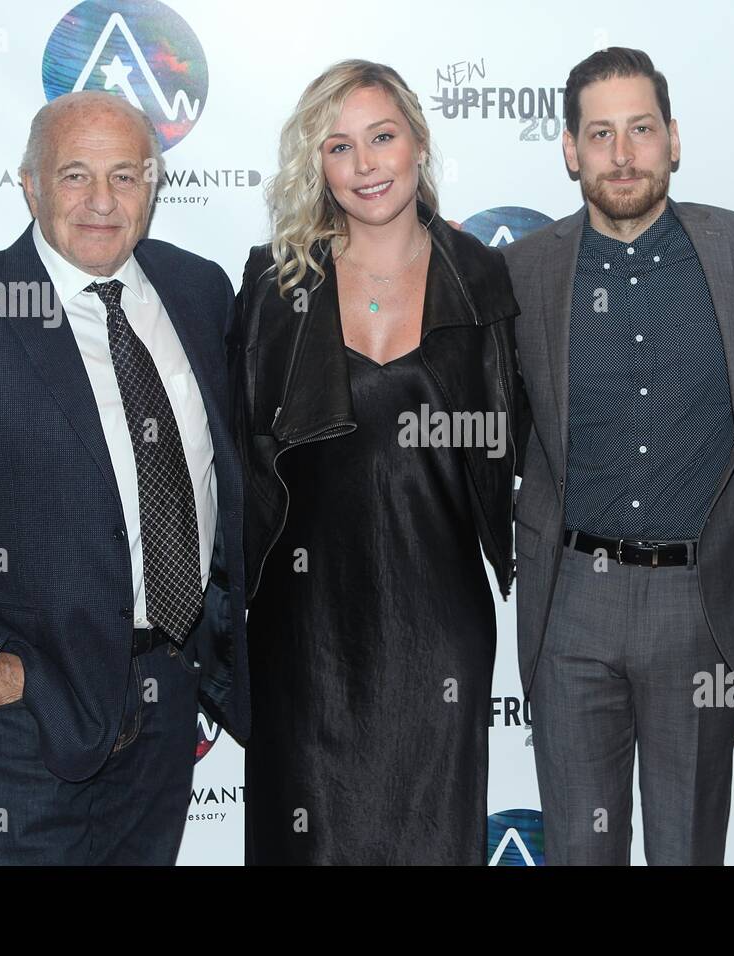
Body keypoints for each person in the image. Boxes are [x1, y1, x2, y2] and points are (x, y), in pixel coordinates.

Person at [0, 91, 248, 865]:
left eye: (126, 176)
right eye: (75, 175)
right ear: (30, 185)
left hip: (172, 693)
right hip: (34, 707)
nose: (103, 201)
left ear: (154, 184)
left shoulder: (199, 291)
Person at [230, 60, 522, 865]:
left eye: (382, 137)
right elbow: (238, 460)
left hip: (438, 619)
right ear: (316, 165)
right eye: (339, 146)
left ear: (419, 143)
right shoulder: (274, 284)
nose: (365, 165)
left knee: (432, 834)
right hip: (304, 622)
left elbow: (512, 443)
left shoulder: (482, 276)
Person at [504, 47, 734, 865]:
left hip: (701, 609)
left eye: (640, 129)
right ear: (570, 150)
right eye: (600, 134)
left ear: (673, 139)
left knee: (688, 850)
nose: (622, 154)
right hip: (570, 610)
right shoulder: (522, 272)